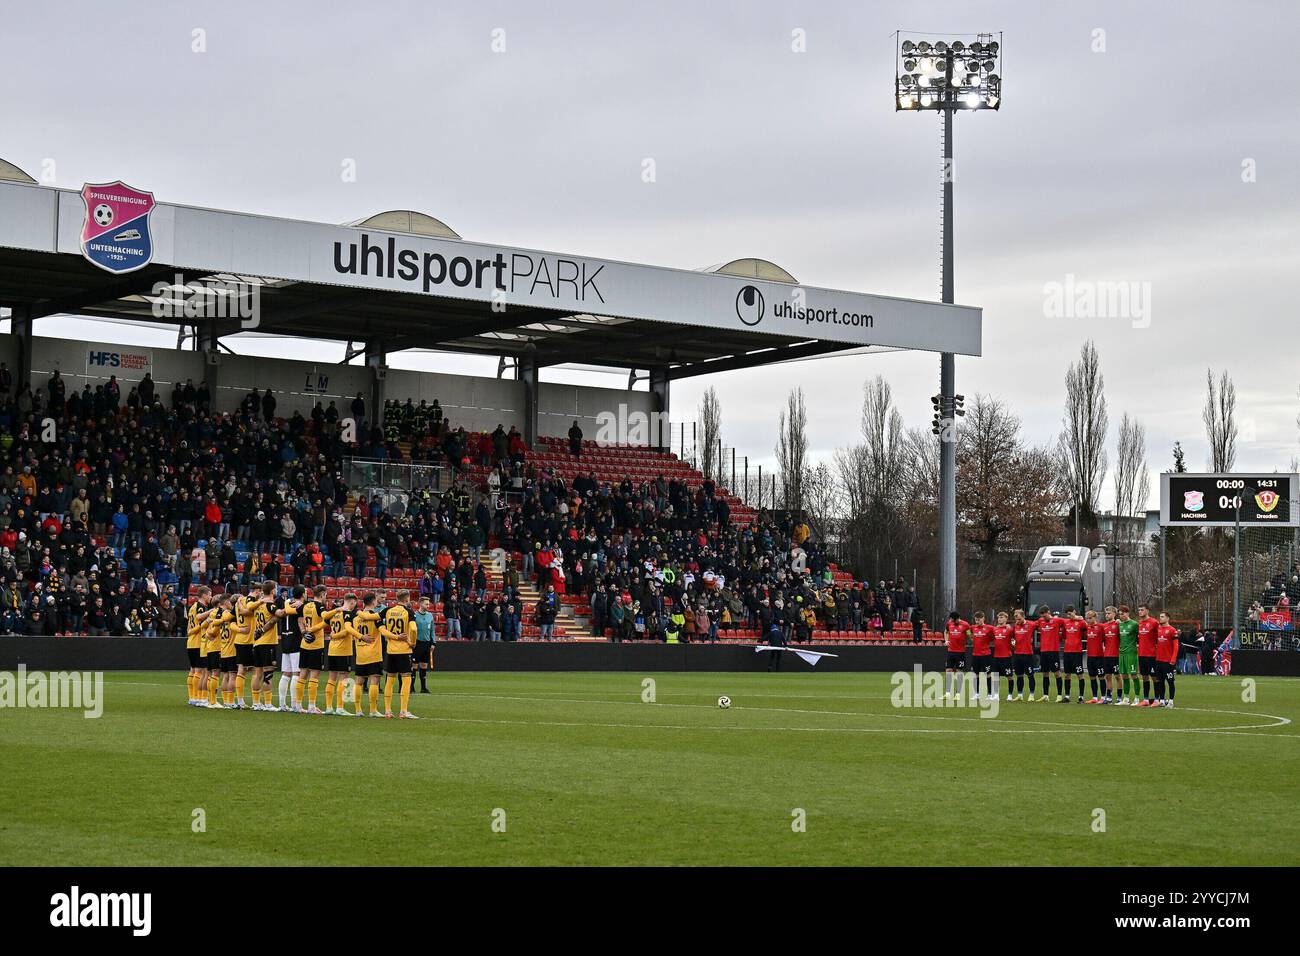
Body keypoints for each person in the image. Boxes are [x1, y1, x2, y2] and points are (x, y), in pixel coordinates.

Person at [380, 591, 418, 719]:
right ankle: (403, 711)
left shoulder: (388, 610)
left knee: (389, 680)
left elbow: (376, 620)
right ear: (407, 599)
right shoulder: (408, 612)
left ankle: (387, 711)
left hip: (391, 650)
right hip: (404, 650)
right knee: (406, 680)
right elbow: (413, 629)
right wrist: (412, 642)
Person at [323, 593, 359, 715]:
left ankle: (328, 707)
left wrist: (332, 635)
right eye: (355, 603)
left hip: (332, 649)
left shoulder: (334, 613)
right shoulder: (348, 613)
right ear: (352, 602)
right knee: (344, 679)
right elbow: (346, 632)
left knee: (331, 678)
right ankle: (340, 707)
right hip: (343, 650)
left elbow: (325, 621)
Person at [351, 593, 384, 717]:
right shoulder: (375, 617)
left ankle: (358, 710)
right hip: (374, 653)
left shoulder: (355, 618)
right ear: (374, 602)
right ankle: (373, 710)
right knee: (374, 681)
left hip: (360, 654)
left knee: (359, 682)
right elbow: (382, 630)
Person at [298, 586, 328, 714]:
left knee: (302, 674)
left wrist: (304, 631)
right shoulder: (319, 606)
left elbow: (299, 619)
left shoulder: (305, 605)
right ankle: (311, 706)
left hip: (304, 643)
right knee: (314, 675)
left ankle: (298, 705)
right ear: (322, 594)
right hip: (316, 644)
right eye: (325, 594)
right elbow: (327, 621)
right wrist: (312, 629)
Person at [278, 585, 305, 712]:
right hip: (295, 639)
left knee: (286, 673)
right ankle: (295, 704)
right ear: (303, 594)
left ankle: (282, 704)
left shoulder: (287, 602)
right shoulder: (301, 605)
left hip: (285, 638)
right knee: (296, 673)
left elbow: (286, 610)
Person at [1036, 606, 1065, 702]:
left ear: (1048, 612)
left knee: (1057, 673)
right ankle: (1045, 695)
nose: (1043, 618)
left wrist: (1078, 617)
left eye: (1044, 615)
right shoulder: (1040, 621)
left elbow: (1069, 622)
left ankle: (1059, 695)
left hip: (1053, 651)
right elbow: (1030, 624)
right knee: (1045, 673)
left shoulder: (1057, 621)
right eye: (1042, 616)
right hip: (1043, 651)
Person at [1135, 604, 1160, 706]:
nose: (1140, 612)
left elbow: (1160, 636)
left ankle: (1157, 699)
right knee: (1144, 677)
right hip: (1141, 654)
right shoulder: (1140, 623)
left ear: (1147, 611)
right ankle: (1145, 699)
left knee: (1154, 677)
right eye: (1139, 610)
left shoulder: (1154, 623)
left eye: (1142, 610)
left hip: (1152, 655)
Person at [1061, 606, 1087, 703]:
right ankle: (1067, 696)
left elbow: (1087, 630)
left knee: (1079, 674)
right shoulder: (1065, 623)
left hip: (1077, 652)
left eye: (1070, 613)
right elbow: (1064, 636)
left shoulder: (1081, 622)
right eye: (1067, 614)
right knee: (1067, 675)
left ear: (1074, 612)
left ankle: (1081, 697)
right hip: (1067, 652)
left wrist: (1081, 618)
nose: (1069, 615)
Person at [1011, 608, 1037, 701]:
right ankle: (1020, 695)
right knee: (1019, 675)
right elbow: (1011, 637)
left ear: (1023, 616)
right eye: (1016, 619)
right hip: (1017, 654)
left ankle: (1031, 695)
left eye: (1018, 618)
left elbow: (1041, 623)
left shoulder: (1031, 624)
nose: (1017, 621)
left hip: (1028, 654)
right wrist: (1012, 642)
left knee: (1030, 675)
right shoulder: (1015, 626)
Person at [1116, 605, 1140, 706]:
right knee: (1124, 676)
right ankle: (1126, 699)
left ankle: (1137, 698)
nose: (1122, 616)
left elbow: (1141, 637)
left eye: (1123, 613)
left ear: (1128, 613)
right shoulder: (1120, 625)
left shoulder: (1134, 624)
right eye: (1120, 614)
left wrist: (1138, 646)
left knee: (1134, 675)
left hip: (1131, 654)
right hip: (1122, 654)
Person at [943, 611, 970, 700]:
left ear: (958, 619)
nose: (952, 622)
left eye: (953, 620)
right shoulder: (949, 623)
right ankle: (947, 693)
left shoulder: (965, 625)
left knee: (959, 672)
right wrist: (946, 640)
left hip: (960, 652)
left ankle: (958, 694)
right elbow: (946, 631)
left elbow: (970, 635)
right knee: (948, 671)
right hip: (950, 651)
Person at [1155, 611, 1179, 708]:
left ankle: (1171, 701)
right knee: (1160, 681)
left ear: (1167, 618)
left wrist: (1173, 659)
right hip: (1159, 660)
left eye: (1162, 617)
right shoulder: (1158, 629)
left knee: (1170, 681)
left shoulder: (1172, 630)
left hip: (1168, 661)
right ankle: (1162, 700)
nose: (1160, 618)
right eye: (1160, 616)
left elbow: (1176, 646)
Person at [969, 611, 994, 702]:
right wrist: (971, 637)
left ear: (983, 618)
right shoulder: (973, 627)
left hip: (986, 655)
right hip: (975, 655)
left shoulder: (989, 628)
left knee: (988, 674)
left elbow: (996, 631)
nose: (977, 621)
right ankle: (977, 694)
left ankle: (990, 694)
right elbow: (967, 630)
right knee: (976, 675)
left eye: (979, 620)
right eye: (976, 620)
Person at [412, 595, 435, 692]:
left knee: (424, 666)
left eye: (428, 604)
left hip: (427, 643)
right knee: (414, 666)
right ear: (420, 604)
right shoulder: (414, 615)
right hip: (417, 643)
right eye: (426, 604)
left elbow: (432, 630)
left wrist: (433, 643)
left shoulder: (430, 616)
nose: (428, 605)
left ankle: (423, 687)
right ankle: (411, 687)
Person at [1084, 609, 1107, 704]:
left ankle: (1103, 697)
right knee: (1092, 677)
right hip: (1090, 657)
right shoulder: (1087, 627)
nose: (1088, 620)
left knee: (1101, 677)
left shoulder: (1101, 627)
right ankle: (1094, 697)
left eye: (1090, 618)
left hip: (1099, 657)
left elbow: (1106, 639)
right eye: (1087, 618)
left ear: (1095, 617)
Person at [991, 610, 1014, 701]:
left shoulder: (1009, 629)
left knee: (1009, 676)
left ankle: (1010, 695)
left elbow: (1014, 639)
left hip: (1006, 657)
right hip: (997, 657)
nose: (999, 619)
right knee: (996, 676)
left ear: (1006, 619)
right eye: (998, 617)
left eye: (1001, 617)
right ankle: (996, 695)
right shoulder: (995, 629)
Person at [1101, 605, 1121, 704]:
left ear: (1114, 614)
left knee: (1117, 676)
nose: (1107, 615)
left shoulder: (1118, 624)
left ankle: (1120, 697)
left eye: (1109, 613)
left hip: (1116, 655)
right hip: (1106, 655)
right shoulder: (1103, 626)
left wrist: (1120, 623)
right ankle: (1108, 697)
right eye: (1106, 613)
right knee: (1108, 676)